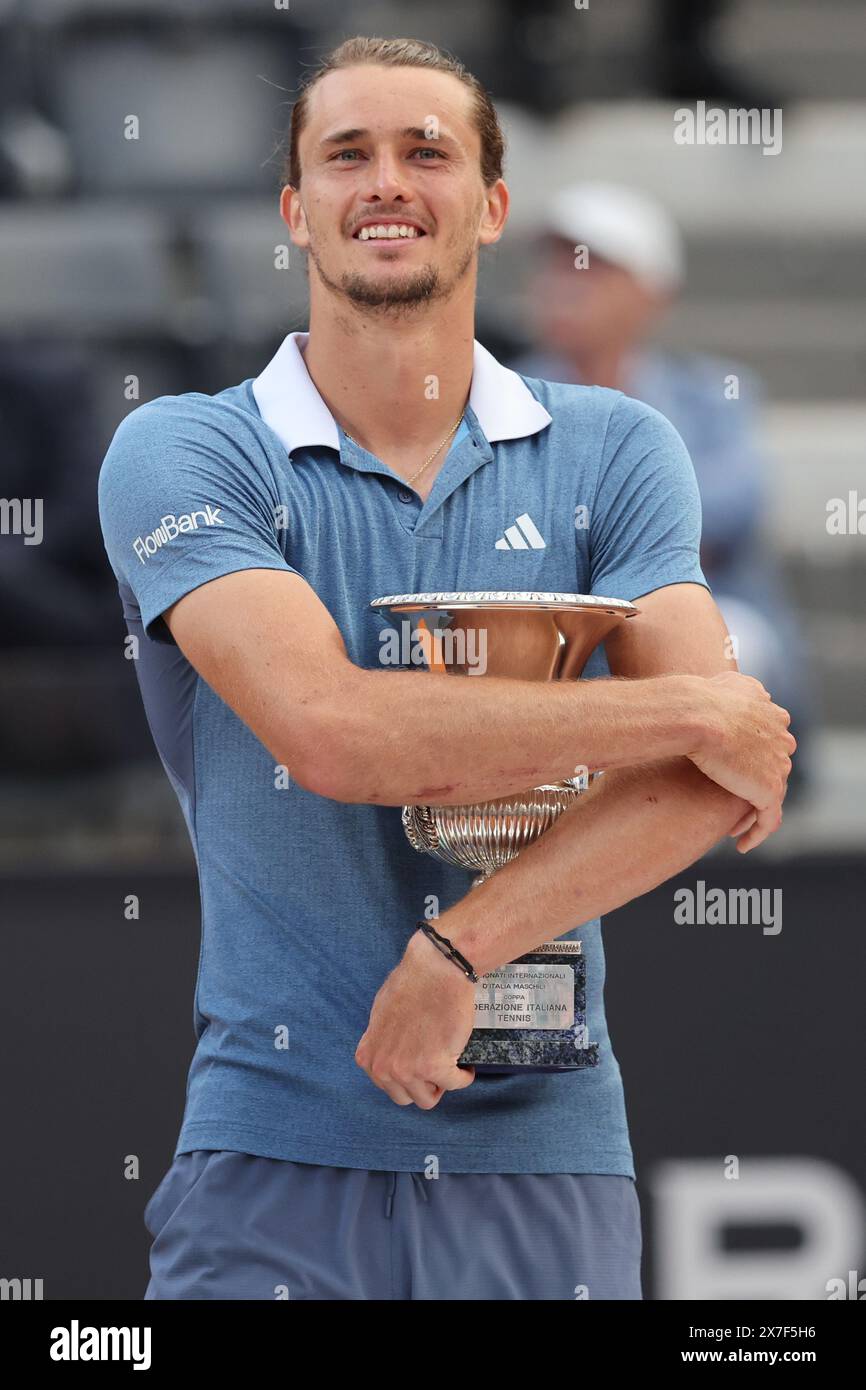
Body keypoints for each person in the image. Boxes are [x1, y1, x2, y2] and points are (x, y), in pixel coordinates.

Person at [97, 36, 794, 1301]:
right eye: (346, 153)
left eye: (429, 151)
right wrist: (691, 703)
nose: (388, 182)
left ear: (492, 204)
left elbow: (715, 781)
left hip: (545, 1153)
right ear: (295, 211)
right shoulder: (184, 450)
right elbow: (331, 736)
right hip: (273, 1143)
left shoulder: (614, 447)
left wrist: (459, 954)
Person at [513, 182, 814, 791]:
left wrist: (583, 530)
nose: (566, 282)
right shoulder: (503, 394)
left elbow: (731, 509)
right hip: (560, 630)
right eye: (560, 264)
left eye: (596, 267)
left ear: (650, 293)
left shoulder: (712, 393)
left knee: (730, 645)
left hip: (685, 618)